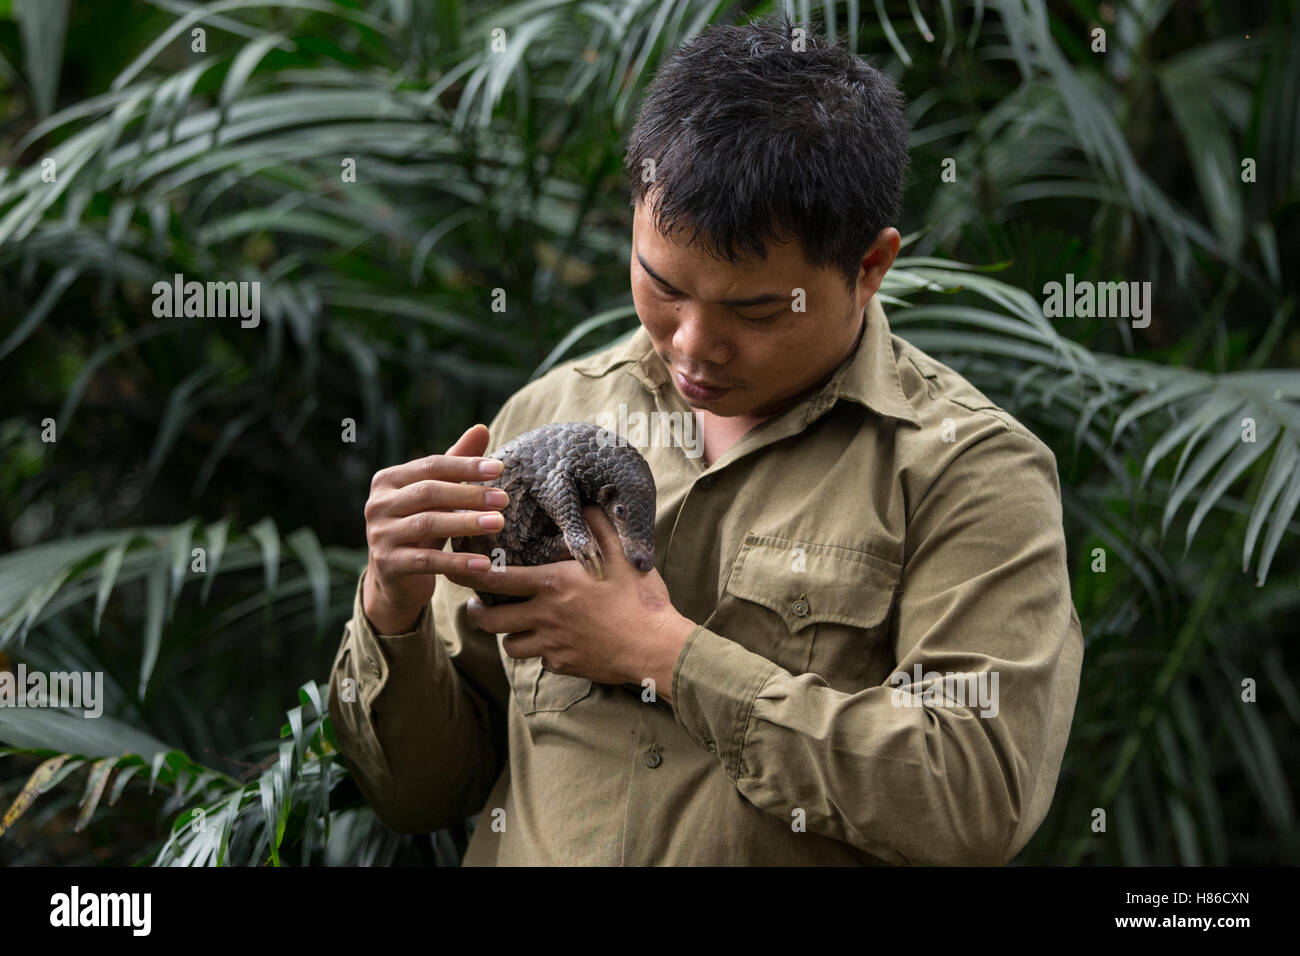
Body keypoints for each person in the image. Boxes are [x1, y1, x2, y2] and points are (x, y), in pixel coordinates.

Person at [328, 14, 1083, 865]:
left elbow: (973, 793)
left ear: (870, 267)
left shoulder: (967, 470)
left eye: (755, 311)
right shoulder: (546, 413)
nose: (691, 344)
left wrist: (667, 655)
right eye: (662, 286)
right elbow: (423, 794)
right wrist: (391, 610)